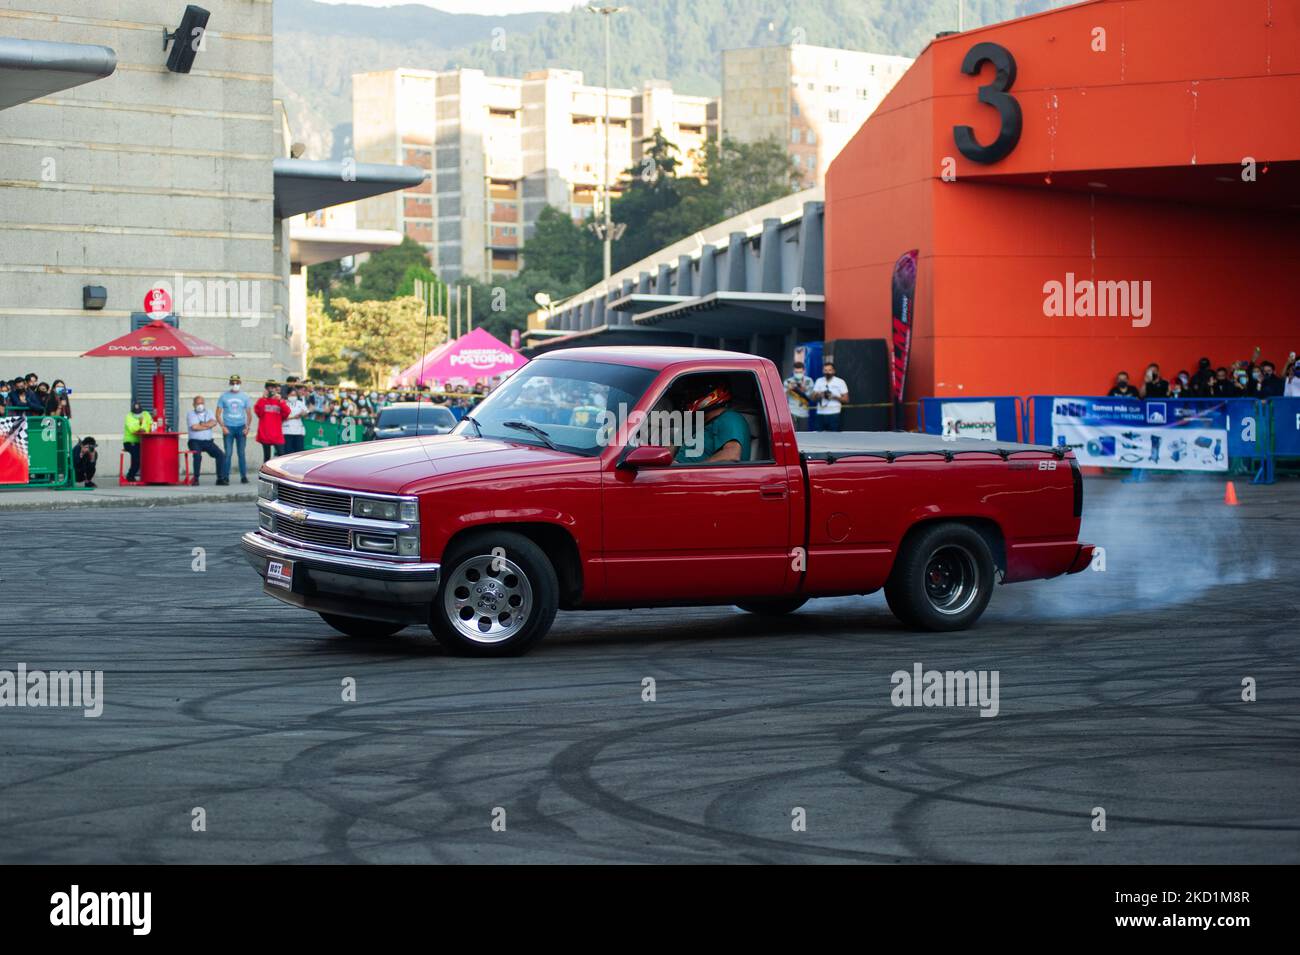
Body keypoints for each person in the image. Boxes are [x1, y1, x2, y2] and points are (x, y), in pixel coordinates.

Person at [673, 381, 751, 465]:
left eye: (693, 394)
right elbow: (672, 443)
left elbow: (732, 454)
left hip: (693, 475)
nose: (689, 398)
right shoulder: (700, 425)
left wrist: (693, 470)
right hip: (675, 473)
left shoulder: (730, 418)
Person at [215, 374, 253, 483]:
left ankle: (243, 476)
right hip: (228, 427)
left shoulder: (245, 396)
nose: (235, 385)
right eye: (233, 383)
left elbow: (249, 414)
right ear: (230, 383)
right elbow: (217, 414)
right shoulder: (224, 396)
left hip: (241, 427)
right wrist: (223, 426)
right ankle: (225, 477)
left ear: (240, 383)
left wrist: (247, 427)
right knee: (228, 453)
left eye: (237, 383)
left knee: (241, 453)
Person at [186, 395, 228, 485]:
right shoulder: (190, 414)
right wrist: (207, 425)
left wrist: (202, 424)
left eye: (201, 403)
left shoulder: (209, 412)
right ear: (193, 404)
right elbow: (194, 427)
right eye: (198, 403)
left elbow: (214, 423)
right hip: (195, 441)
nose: (200, 405)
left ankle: (220, 478)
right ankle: (196, 479)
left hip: (208, 441)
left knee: (221, 455)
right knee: (197, 456)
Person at [254, 380, 289, 464]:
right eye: (269, 388)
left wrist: (280, 401)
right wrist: (263, 399)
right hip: (265, 433)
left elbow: (286, 413)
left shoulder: (279, 401)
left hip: (277, 434)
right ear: (266, 389)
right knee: (267, 457)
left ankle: (280, 474)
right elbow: (259, 413)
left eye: (273, 388)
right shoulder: (261, 401)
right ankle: (266, 475)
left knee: (281, 455)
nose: (271, 390)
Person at [812, 359, 849, 432]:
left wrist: (834, 397)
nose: (827, 372)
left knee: (834, 437)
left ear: (834, 371)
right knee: (819, 437)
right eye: (825, 370)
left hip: (834, 414)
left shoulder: (840, 382)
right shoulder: (819, 381)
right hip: (820, 413)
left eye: (830, 370)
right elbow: (813, 398)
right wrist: (820, 395)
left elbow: (846, 399)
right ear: (823, 371)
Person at [122, 400, 153, 482]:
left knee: (151, 455)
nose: (138, 415)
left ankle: (150, 476)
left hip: (143, 442)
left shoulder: (146, 414)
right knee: (137, 459)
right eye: (136, 414)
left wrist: (145, 429)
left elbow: (151, 425)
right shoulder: (128, 416)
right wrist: (140, 425)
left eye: (139, 413)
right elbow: (133, 429)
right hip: (130, 442)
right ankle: (130, 475)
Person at [784, 360, 815, 432]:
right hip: (792, 412)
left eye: (800, 372)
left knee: (803, 435)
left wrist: (803, 390)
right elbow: (783, 397)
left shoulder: (809, 381)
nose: (798, 374)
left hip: (804, 413)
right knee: (792, 433)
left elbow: (812, 398)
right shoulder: (788, 381)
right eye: (796, 372)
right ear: (793, 371)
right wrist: (789, 389)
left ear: (804, 371)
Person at [282, 383, 307, 454]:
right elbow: (282, 417)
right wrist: (294, 417)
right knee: (288, 453)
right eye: (291, 395)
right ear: (287, 395)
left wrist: (303, 413)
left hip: (299, 431)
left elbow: (306, 413)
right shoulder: (284, 403)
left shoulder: (300, 403)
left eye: (295, 395)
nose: (293, 397)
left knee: (299, 452)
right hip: (287, 431)